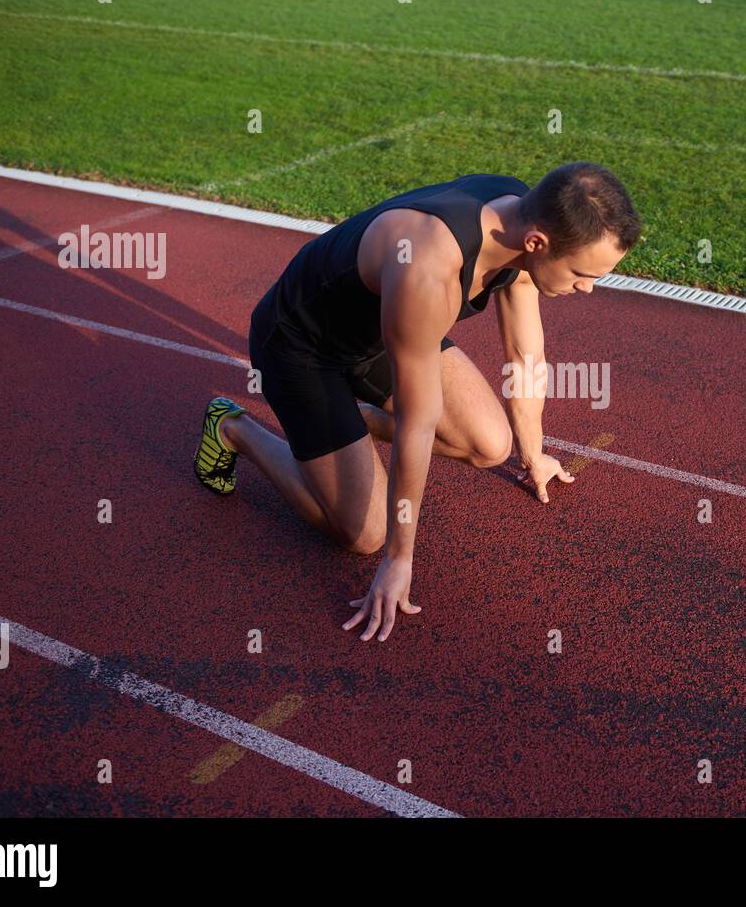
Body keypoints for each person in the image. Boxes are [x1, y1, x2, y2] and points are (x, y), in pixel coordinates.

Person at [193, 161, 641, 642]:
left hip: (387, 335)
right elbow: (416, 422)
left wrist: (533, 455)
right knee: (364, 535)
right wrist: (398, 560)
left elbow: (526, 357)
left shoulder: (526, 218)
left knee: (492, 445)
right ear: (537, 243)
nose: (589, 287)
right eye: (582, 273)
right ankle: (235, 429)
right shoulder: (428, 269)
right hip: (302, 348)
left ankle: (356, 422)